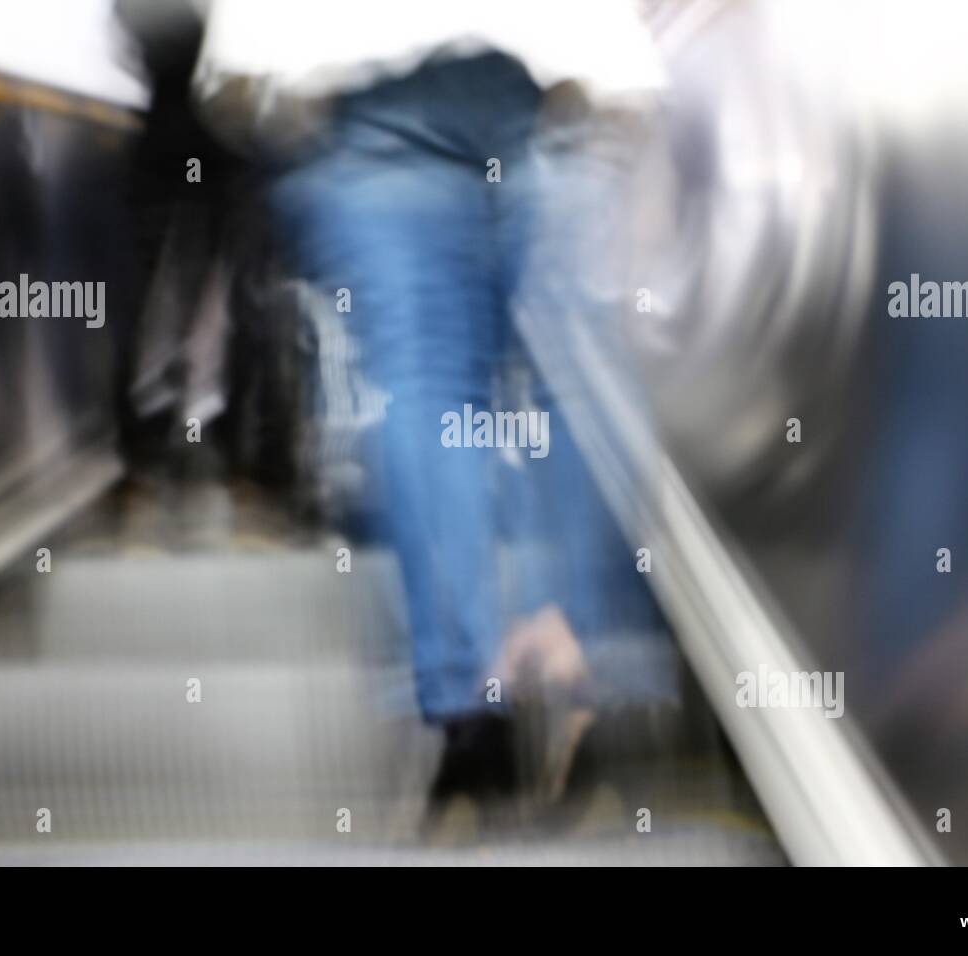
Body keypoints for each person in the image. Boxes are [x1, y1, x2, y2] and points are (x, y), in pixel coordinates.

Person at [194, 1, 671, 826]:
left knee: (420, 386)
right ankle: (576, 664)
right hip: (553, 72)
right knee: (575, 373)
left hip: (367, 93)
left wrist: (250, 67)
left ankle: (469, 709)